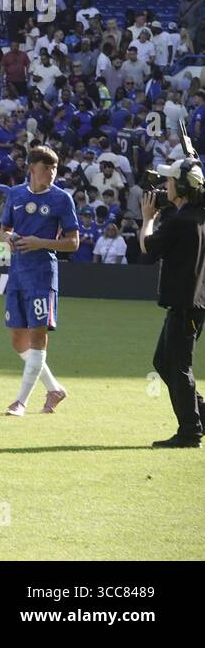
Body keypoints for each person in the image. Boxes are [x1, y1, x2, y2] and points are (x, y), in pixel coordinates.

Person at [0, 146, 79, 417]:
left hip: (43, 275)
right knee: (17, 339)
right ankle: (54, 389)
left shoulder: (62, 199)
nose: (52, 173)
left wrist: (40, 243)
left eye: (55, 168)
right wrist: (10, 239)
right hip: (17, 274)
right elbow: (2, 232)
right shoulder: (15, 195)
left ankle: (20, 401)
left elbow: (73, 243)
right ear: (32, 168)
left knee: (37, 336)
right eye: (47, 168)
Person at [139, 156, 205, 448]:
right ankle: (199, 418)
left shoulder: (180, 221)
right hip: (189, 303)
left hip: (185, 304)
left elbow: (147, 248)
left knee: (178, 366)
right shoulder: (197, 214)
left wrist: (147, 219)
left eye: (168, 181)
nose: (164, 185)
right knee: (164, 362)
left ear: (180, 185)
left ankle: (189, 432)